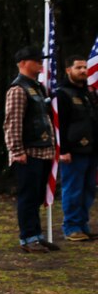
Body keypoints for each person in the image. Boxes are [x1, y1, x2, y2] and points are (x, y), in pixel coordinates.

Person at [4, 45, 58, 253]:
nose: (40, 63)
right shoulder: (18, 89)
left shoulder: (37, 87)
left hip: (42, 151)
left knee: (36, 197)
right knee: (28, 197)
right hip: (28, 153)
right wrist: (17, 151)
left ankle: (36, 234)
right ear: (23, 63)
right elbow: (12, 123)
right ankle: (27, 237)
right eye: (35, 60)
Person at [57, 53, 98, 240]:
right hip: (72, 152)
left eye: (84, 67)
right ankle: (72, 227)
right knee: (73, 189)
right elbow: (60, 125)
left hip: (91, 151)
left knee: (88, 189)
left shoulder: (89, 93)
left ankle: (83, 224)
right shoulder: (63, 94)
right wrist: (63, 150)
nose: (83, 71)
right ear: (68, 70)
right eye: (78, 67)